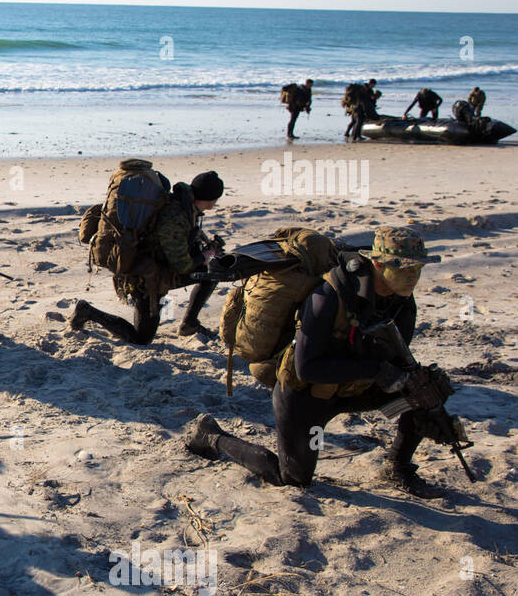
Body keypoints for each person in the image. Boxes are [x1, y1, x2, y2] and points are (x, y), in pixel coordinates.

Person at [185, 226, 447, 497]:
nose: (412, 277)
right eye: (403, 268)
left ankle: (398, 467)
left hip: (352, 386)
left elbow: (398, 355)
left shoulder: (401, 300)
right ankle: (211, 436)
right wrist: (377, 370)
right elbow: (307, 368)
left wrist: (413, 385)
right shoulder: (330, 295)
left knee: (428, 390)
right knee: (293, 479)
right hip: (305, 394)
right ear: (377, 264)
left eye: (417, 269)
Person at [72, 169, 224, 343]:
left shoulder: (186, 206)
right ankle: (87, 311)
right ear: (212, 200)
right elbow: (181, 265)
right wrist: (206, 255)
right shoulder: (177, 215)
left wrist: (204, 253)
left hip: (158, 268)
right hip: (143, 276)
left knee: (210, 274)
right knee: (141, 338)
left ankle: (189, 324)